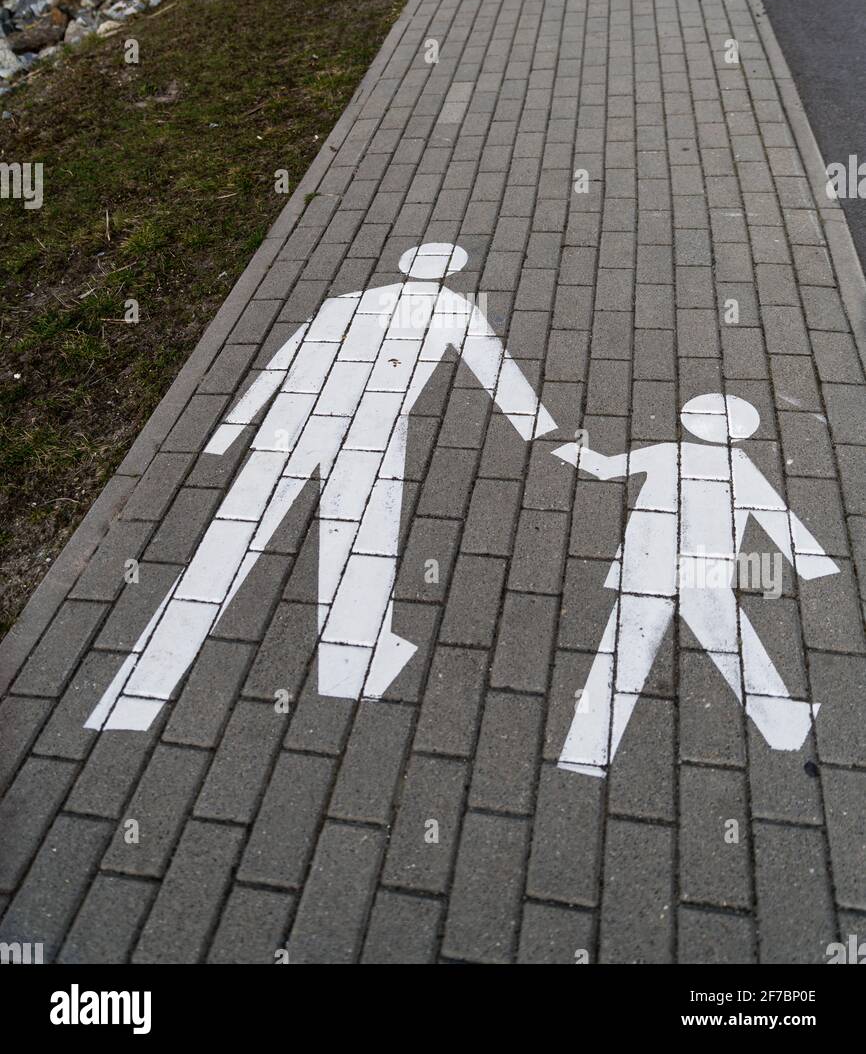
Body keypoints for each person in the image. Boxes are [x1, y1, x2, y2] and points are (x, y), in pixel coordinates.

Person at [88, 242, 557, 731]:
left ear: (404, 266)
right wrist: (539, 432)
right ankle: (347, 670)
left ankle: (139, 690)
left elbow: (284, 359)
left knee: (228, 540)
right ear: (449, 273)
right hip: (372, 430)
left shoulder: (345, 301)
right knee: (360, 548)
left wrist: (232, 428)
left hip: (288, 424)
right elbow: (493, 366)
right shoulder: (453, 307)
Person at [553, 394, 837, 776]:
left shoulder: (670, 452)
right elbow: (777, 518)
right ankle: (783, 721)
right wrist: (812, 563)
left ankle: (587, 747)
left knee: (624, 650)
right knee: (731, 644)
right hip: (705, 572)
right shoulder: (740, 465)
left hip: (648, 563)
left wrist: (574, 450)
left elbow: (606, 469)